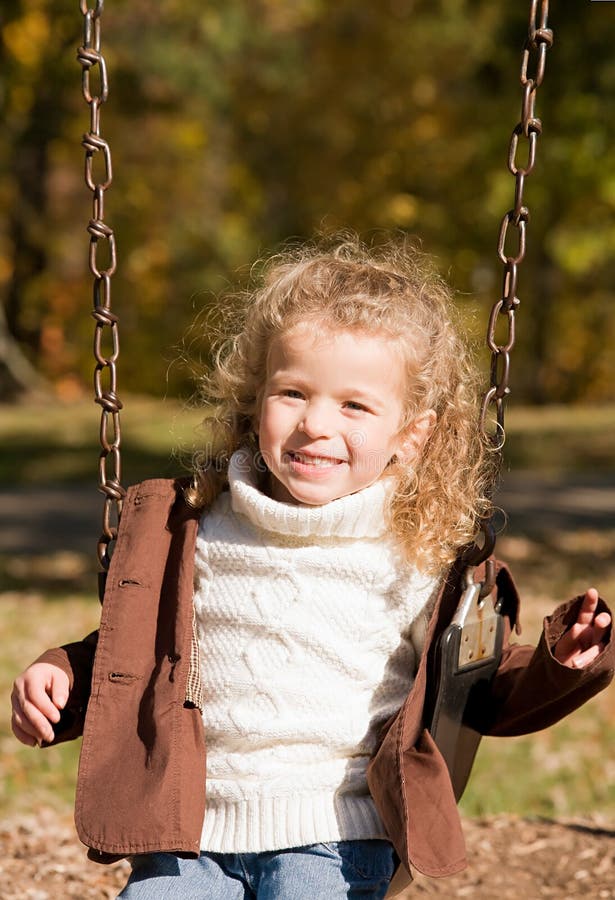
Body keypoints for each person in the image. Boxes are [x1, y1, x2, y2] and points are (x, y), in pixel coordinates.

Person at [11, 237, 614, 900]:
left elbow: (475, 686)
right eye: (292, 392)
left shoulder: (420, 552)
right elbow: (144, 655)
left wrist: (560, 660)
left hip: (335, 836)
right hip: (187, 833)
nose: (315, 425)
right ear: (254, 397)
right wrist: (62, 673)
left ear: (411, 435)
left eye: (354, 405)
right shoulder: (196, 526)